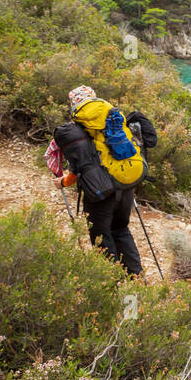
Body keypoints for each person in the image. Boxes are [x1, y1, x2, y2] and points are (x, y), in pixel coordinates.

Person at [54, 85, 144, 276]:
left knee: (101, 237)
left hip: (100, 192)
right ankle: (136, 277)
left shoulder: (78, 128)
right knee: (121, 230)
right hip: (125, 185)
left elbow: (77, 169)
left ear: (73, 105)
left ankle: (111, 282)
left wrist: (62, 182)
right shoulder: (112, 117)